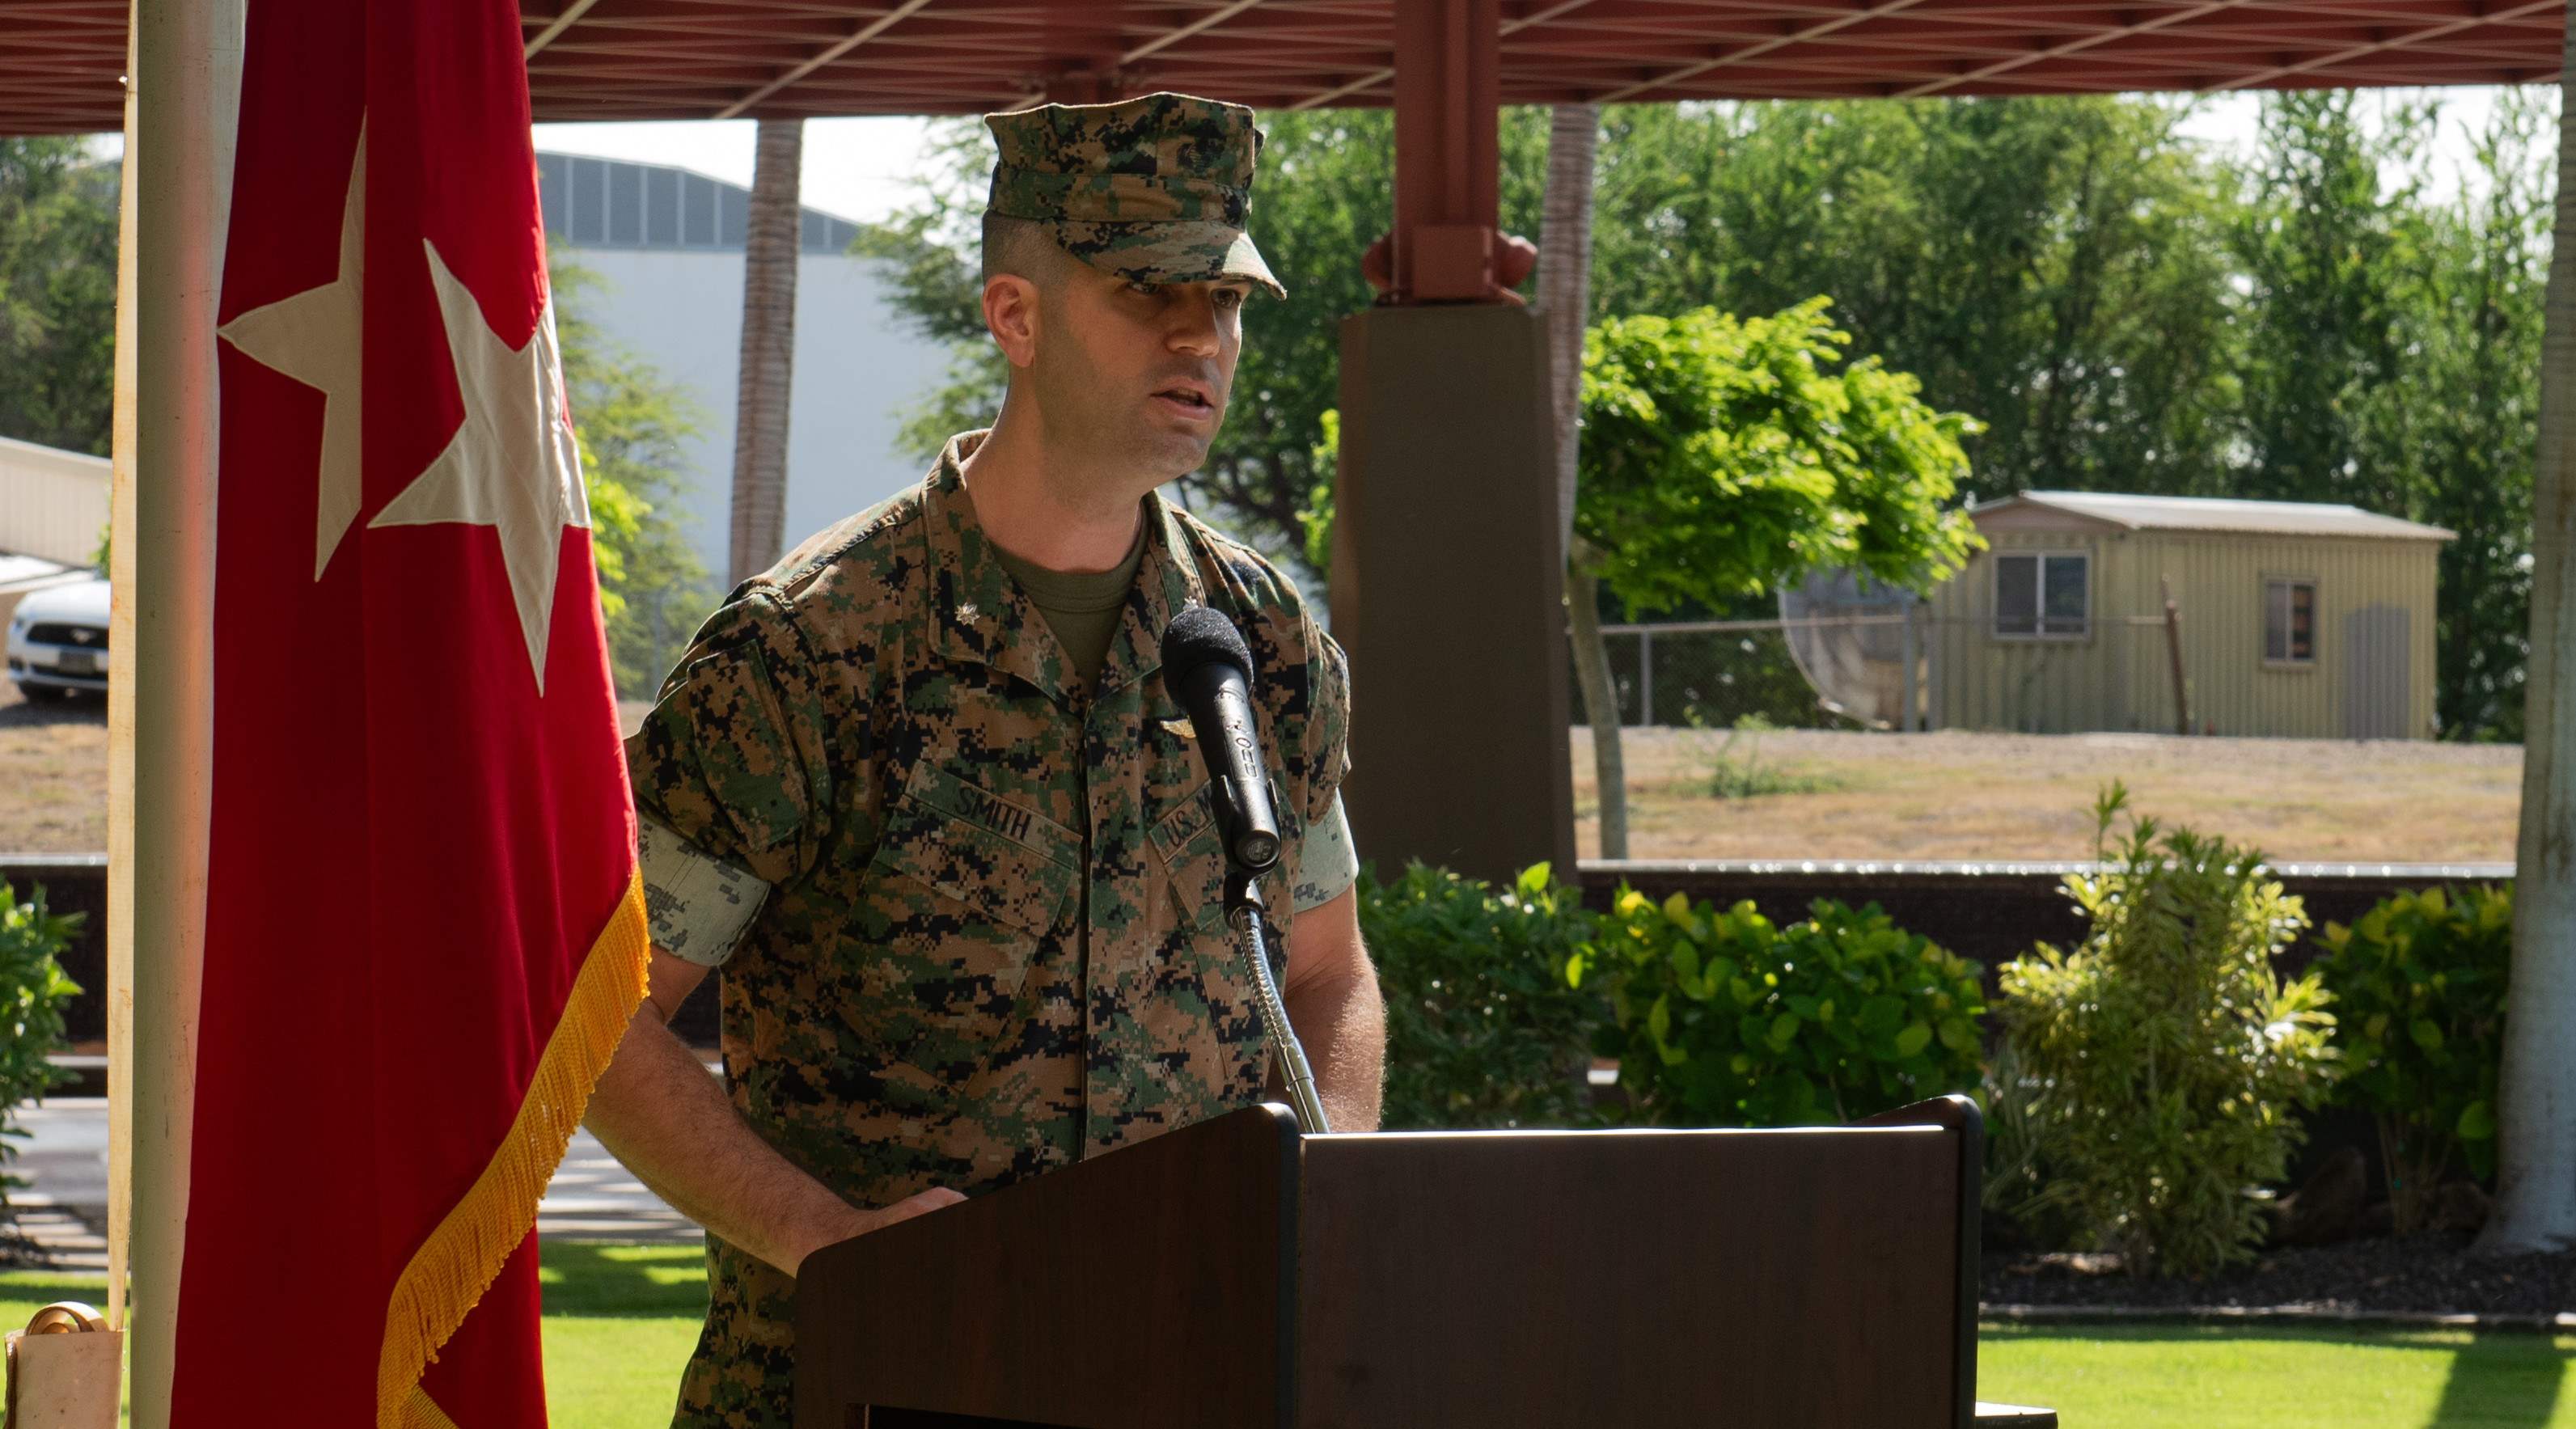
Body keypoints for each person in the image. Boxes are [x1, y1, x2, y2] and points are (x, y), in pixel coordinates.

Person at [584, 91, 1385, 1427]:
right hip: (867, 1381)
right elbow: (598, 1015)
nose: (1202, 335)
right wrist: (823, 1236)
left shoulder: (1256, 642)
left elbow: (1325, 966)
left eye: (1228, 300)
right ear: (1013, 314)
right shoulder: (813, 650)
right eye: (1147, 289)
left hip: (1184, 1371)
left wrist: (1333, 1198)